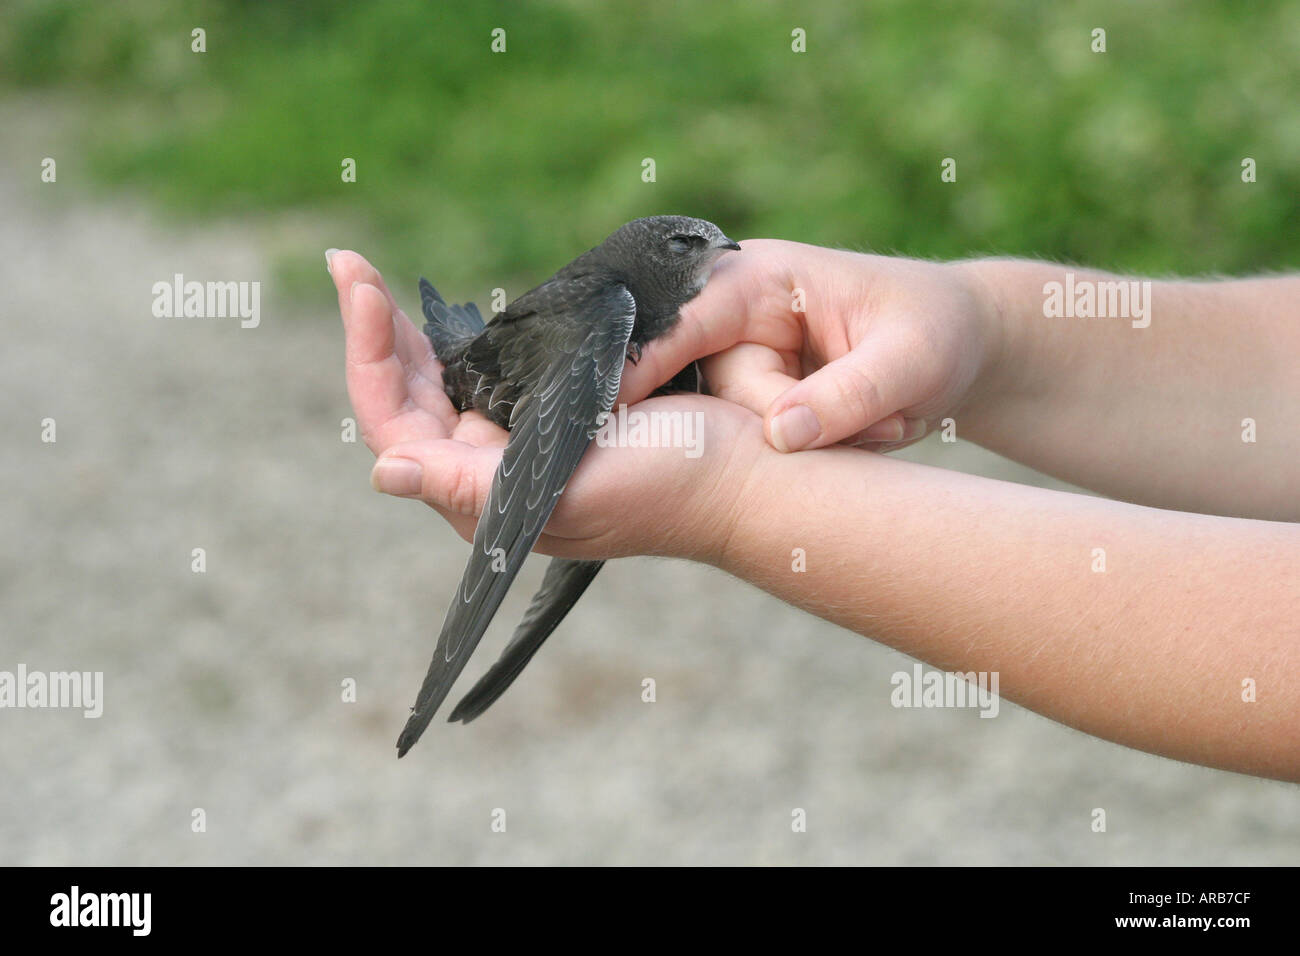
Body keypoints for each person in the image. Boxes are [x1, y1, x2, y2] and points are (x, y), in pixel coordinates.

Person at [327, 240, 1300, 782]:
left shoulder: (635, 313)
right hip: (510, 355)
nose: (719, 254)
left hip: (534, 361)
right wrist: (981, 325)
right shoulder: (618, 311)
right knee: (583, 397)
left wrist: (738, 492)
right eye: (692, 246)